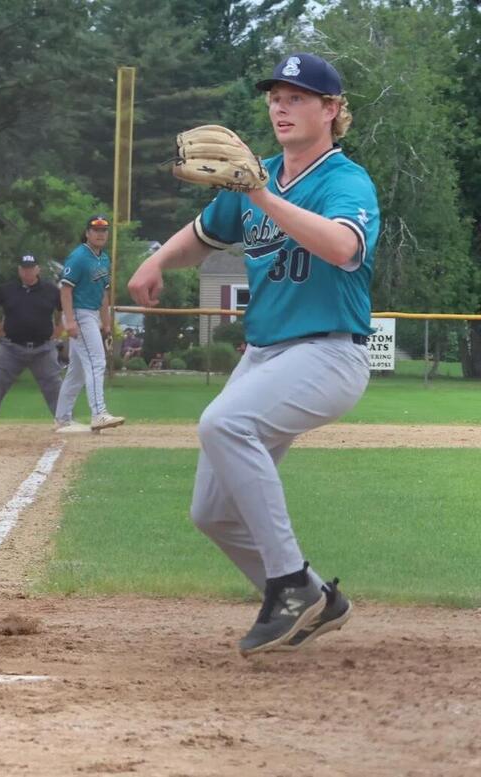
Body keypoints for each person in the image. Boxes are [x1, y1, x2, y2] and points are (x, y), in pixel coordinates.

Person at [128, 53, 379, 655]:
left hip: (328, 353)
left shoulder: (344, 180)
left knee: (224, 422)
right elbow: (204, 233)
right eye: (275, 96)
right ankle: (320, 597)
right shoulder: (256, 176)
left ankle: (290, 584)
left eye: (297, 96)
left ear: (331, 109)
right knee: (212, 512)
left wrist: (261, 196)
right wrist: (158, 257)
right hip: (266, 356)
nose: (281, 106)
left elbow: (344, 247)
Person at [54, 215, 126, 433]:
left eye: (104, 230)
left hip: (92, 313)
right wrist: (70, 321)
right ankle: (99, 413)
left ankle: (62, 418)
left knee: (77, 371)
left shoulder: (103, 259)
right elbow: (65, 290)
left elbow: (104, 293)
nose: (100, 234)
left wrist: (107, 323)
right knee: (96, 362)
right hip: (79, 313)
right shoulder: (79, 257)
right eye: (96, 230)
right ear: (87, 233)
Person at [0, 255, 63, 424]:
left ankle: (64, 418)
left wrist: (58, 330)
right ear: (19, 270)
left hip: (43, 348)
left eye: (30, 268)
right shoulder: (7, 289)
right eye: (24, 268)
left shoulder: (50, 290)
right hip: (12, 347)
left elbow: (64, 308)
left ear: (38, 269)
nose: (27, 272)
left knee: (53, 383)